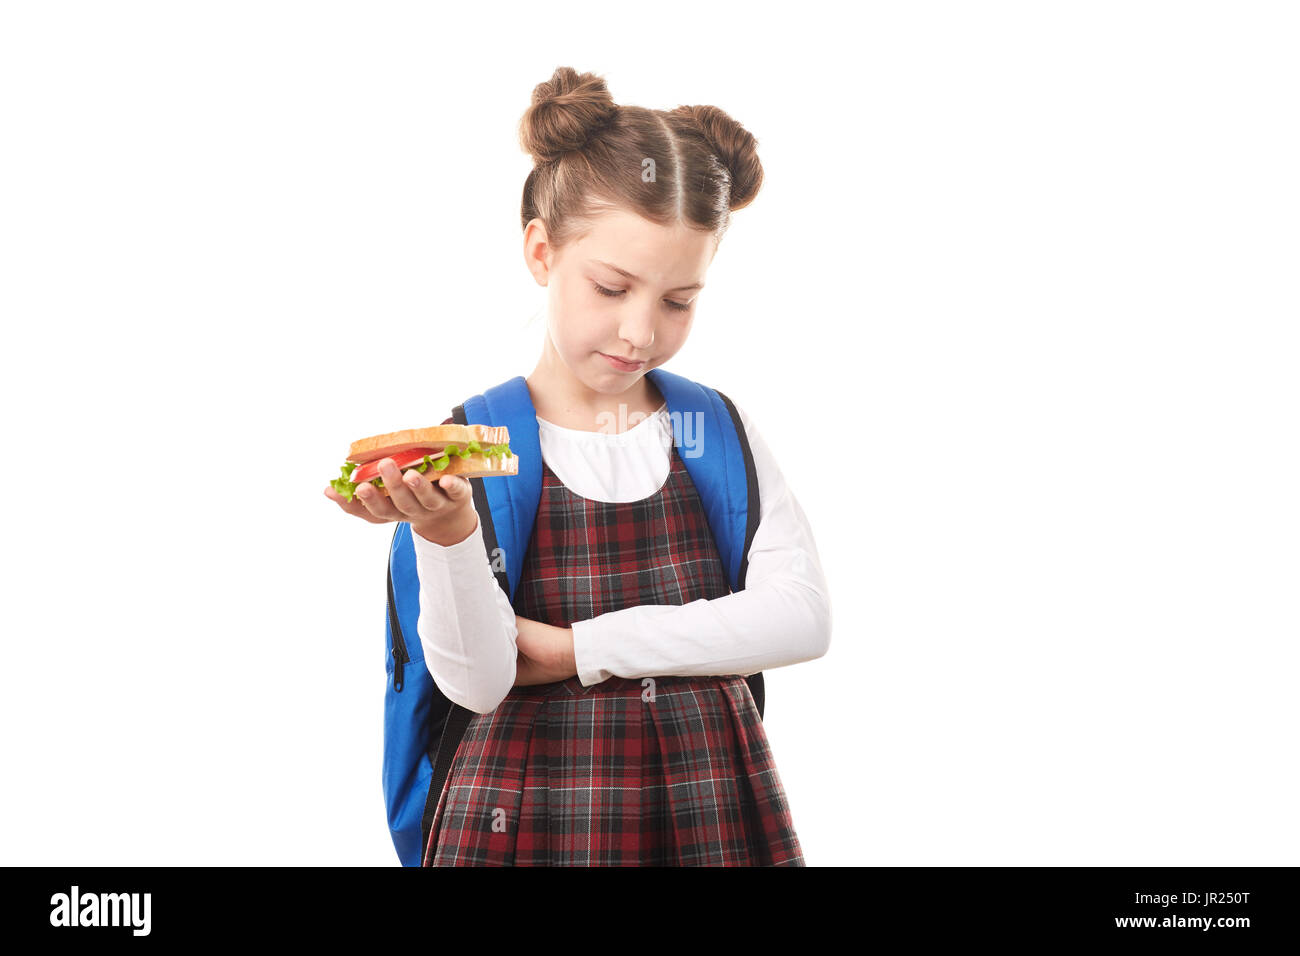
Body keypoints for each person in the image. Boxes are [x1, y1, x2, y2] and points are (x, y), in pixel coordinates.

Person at [324, 66, 832, 866]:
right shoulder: (474, 444)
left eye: (677, 301)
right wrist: (447, 529)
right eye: (611, 287)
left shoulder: (712, 430)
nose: (639, 333)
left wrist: (575, 649)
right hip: (526, 820)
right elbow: (479, 683)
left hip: (709, 813)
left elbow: (800, 619)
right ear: (541, 251)